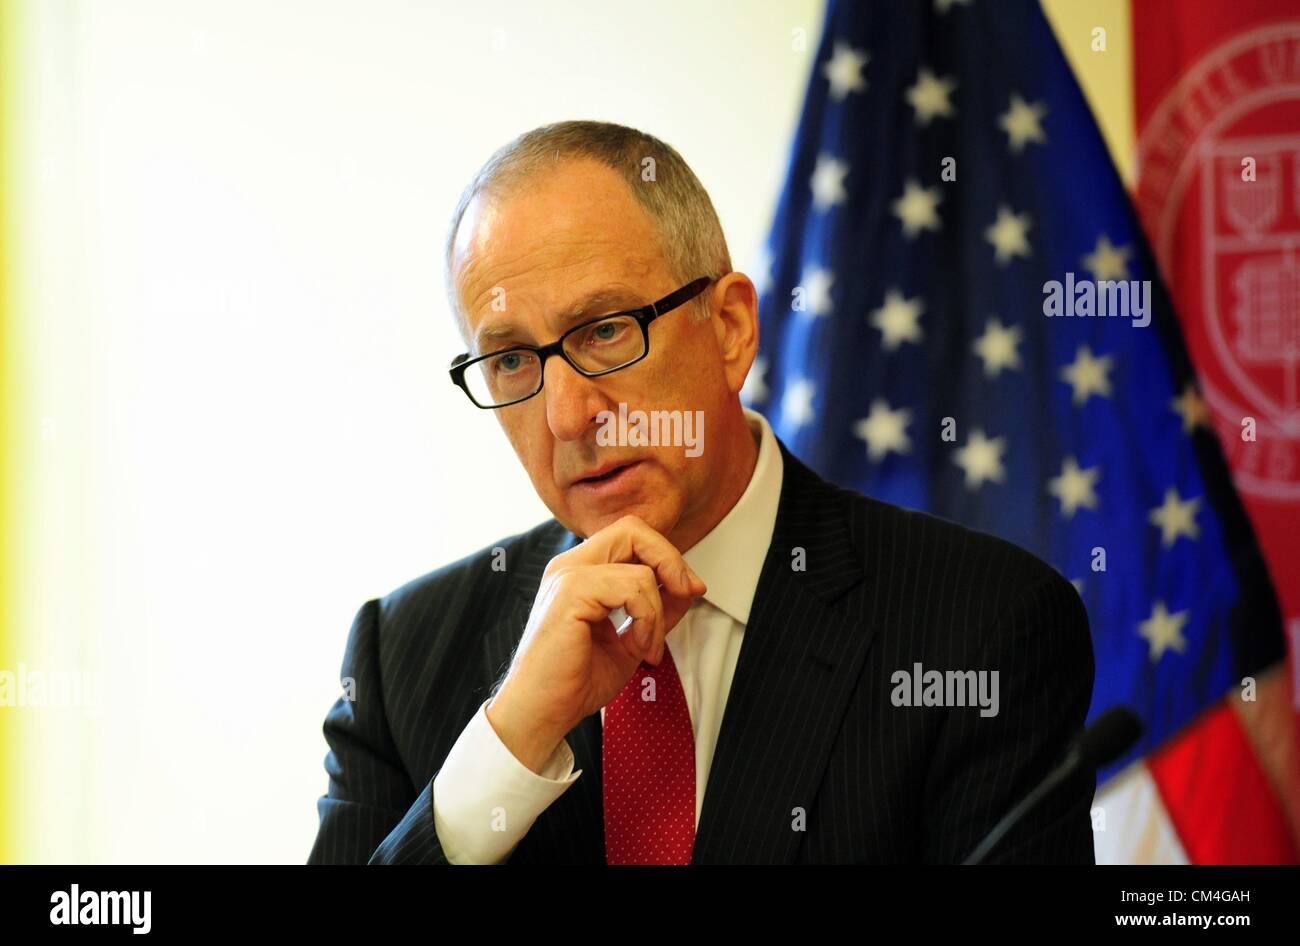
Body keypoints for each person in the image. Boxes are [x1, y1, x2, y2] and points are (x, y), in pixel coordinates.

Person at [307, 120, 1096, 865]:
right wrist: (506, 749)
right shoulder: (401, 656)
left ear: (729, 329)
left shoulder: (983, 626)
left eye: (606, 329)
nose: (569, 415)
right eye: (512, 360)